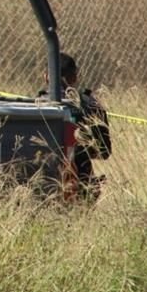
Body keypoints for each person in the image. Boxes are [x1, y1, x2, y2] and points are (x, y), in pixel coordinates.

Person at [41, 52, 112, 199]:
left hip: (40, 183)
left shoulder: (29, 107)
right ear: (74, 77)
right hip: (81, 186)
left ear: (46, 76)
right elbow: (103, 151)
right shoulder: (89, 105)